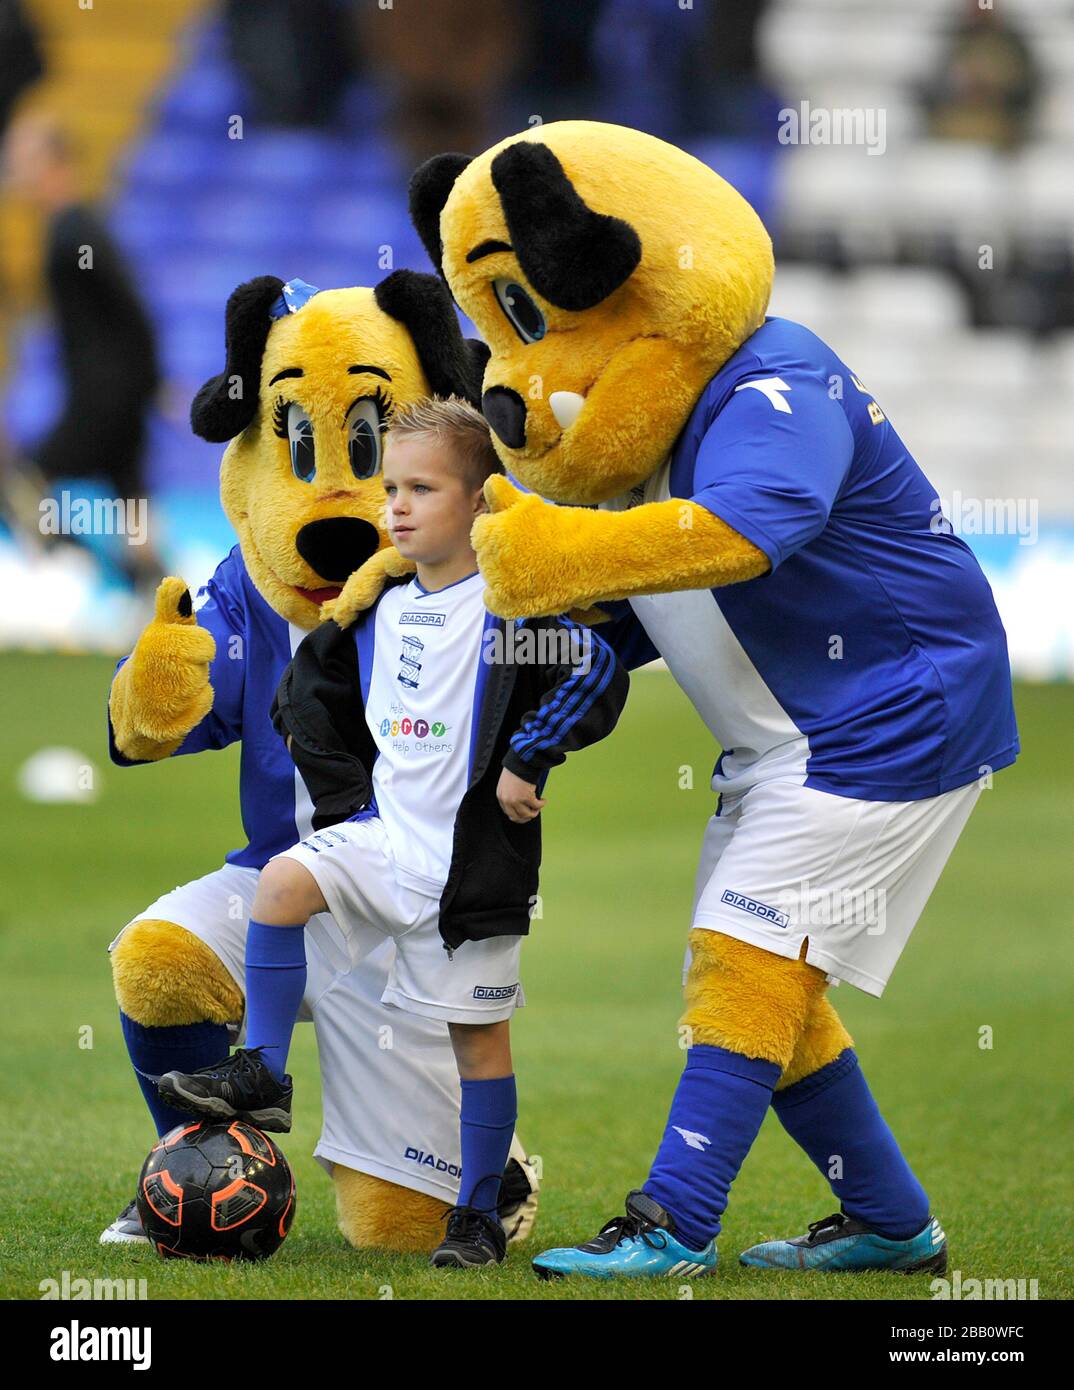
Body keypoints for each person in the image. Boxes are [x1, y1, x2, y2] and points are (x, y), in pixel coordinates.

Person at [157, 397, 629, 1268]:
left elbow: (595, 667)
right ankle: (262, 1070)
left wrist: (530, 757)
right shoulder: (380, 603)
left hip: (468, 875)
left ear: (482, 500)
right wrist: (339, 794)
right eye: (390, 488)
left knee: (477, 1045)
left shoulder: (508, 604)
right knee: (282, 884)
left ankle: (478, 1215)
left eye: (422, 488)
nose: (397, 506)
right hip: (381, 842)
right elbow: (306, 698)